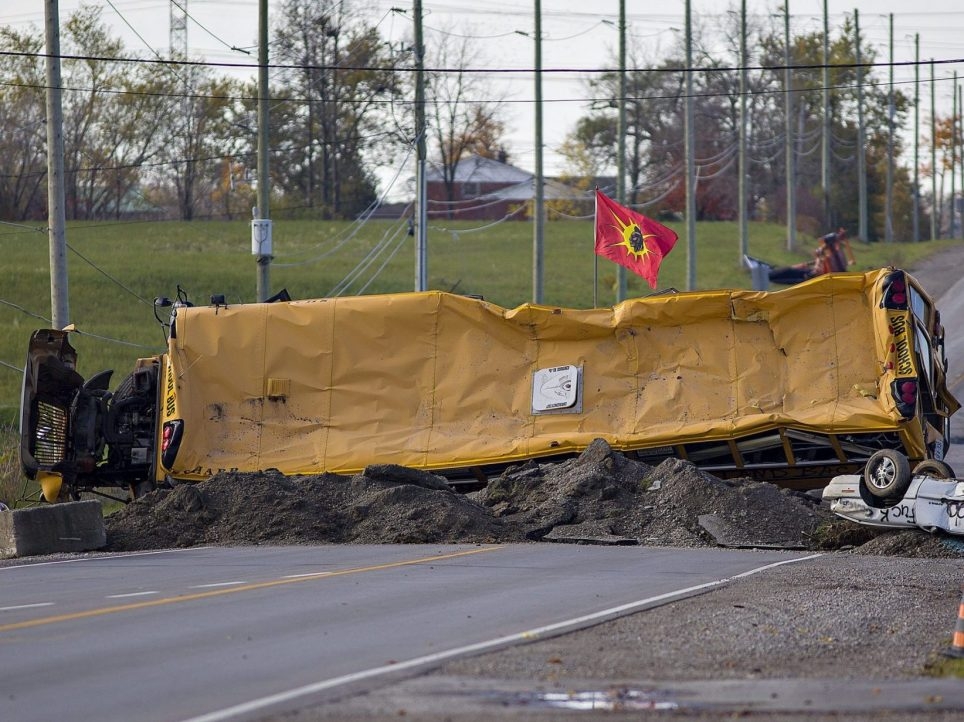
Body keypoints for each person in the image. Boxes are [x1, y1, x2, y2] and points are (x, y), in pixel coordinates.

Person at [768, 228, 855, 285]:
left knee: (787, 275)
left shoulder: (833, 256)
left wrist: (818, 258)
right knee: (789, 270)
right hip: (813, 274)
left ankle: (769, 277)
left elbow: (818, 270)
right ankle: (771, 274)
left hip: (813, 277)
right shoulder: (838, 253)